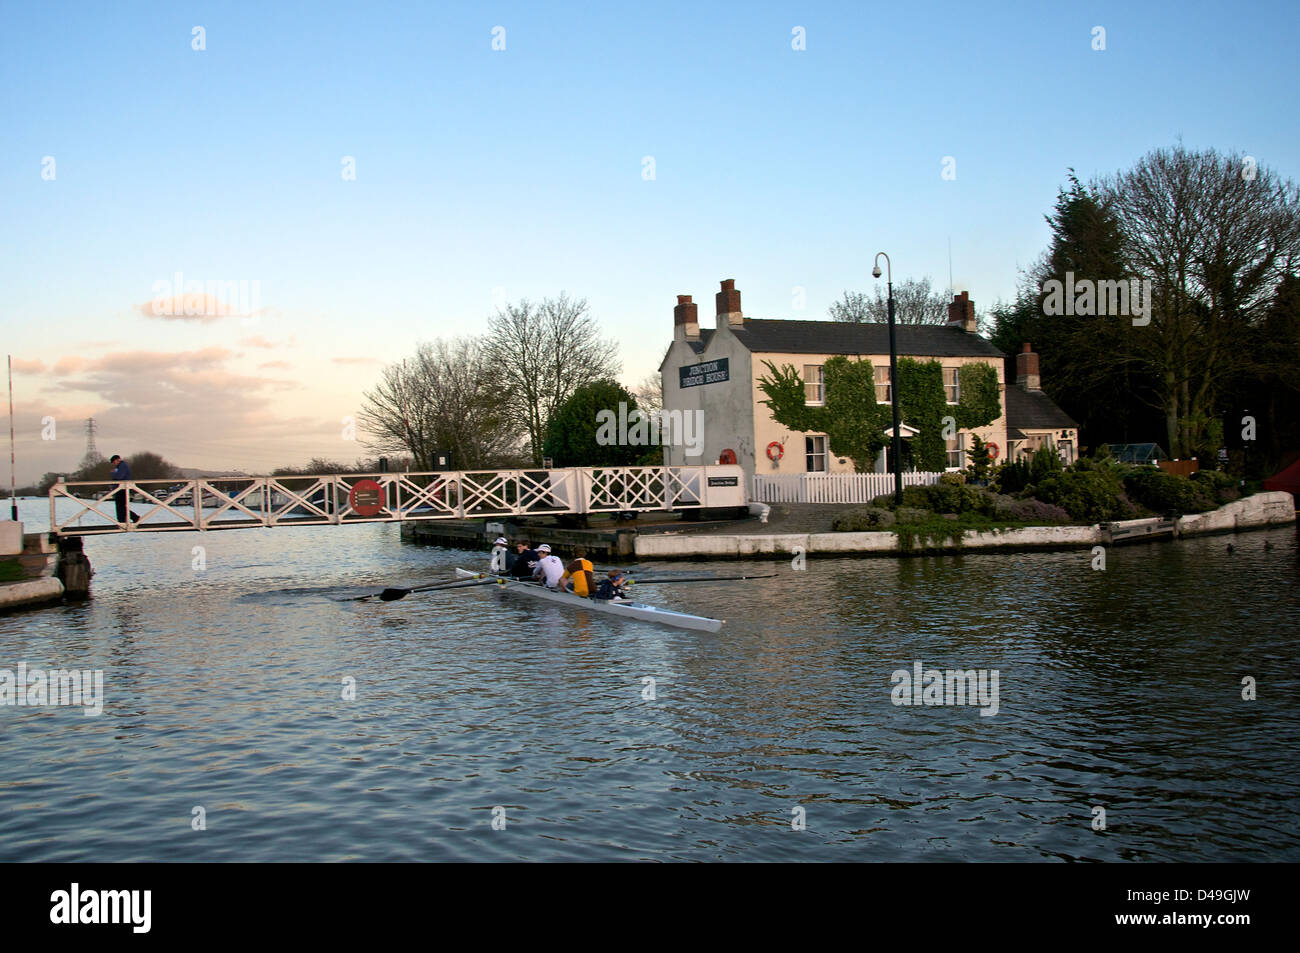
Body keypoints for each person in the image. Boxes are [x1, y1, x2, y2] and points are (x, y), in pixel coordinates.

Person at [108, 454, 135, 524]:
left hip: (122, 489)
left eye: (114, 462)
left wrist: (113, 473)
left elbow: (119, 476)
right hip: (121, 489)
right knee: (120, 506)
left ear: (118, 460)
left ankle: (133, 518)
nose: (114, 464)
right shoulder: (120, 466)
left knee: (121, 506)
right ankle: (123, 520)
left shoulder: (122, 466)